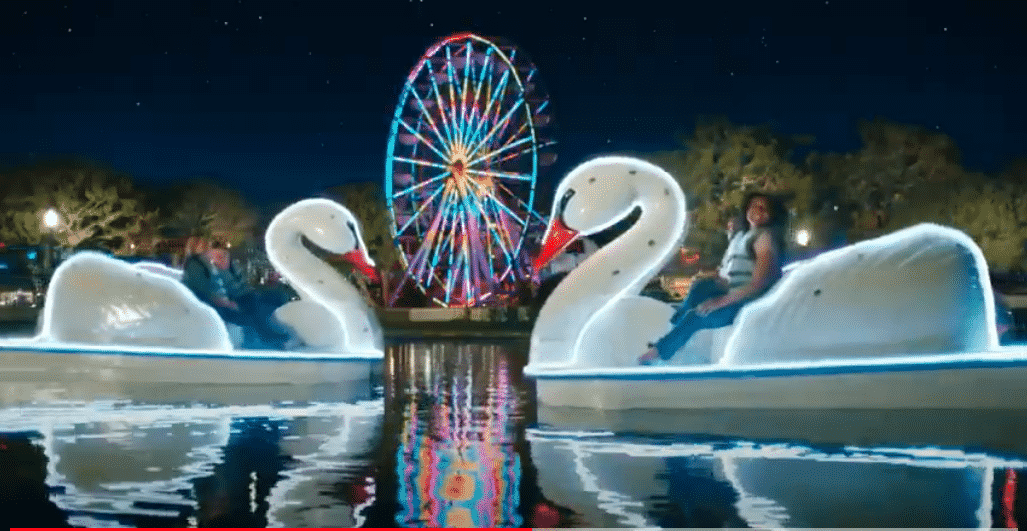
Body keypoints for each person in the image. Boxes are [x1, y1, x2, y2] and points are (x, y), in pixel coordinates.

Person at [639, 193, 787, 365]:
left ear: (772, 215)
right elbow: (730, 275)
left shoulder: (764, 238)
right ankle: (672, 333)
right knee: (701, 287)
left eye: (763, 208)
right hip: (734, 294)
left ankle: (658, 354)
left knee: (697, 315)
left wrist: (719, 301)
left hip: (747, 302)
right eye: (753, 206)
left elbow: (757, 284)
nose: (756, 211)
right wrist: (712, 279)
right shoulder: (742, 237)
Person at [182, 239, 295, 350]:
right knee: (253, 307)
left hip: (237, 299)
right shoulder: (197, 265)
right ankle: (272, 340)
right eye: (218, 255)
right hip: (212, 305)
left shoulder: (231, 266)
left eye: (225, 254)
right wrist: (227, 303)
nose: (224, 258)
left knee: (274, 297)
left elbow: (243, 287)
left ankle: (274, 337)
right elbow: (208, 291)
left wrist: (268, 284)